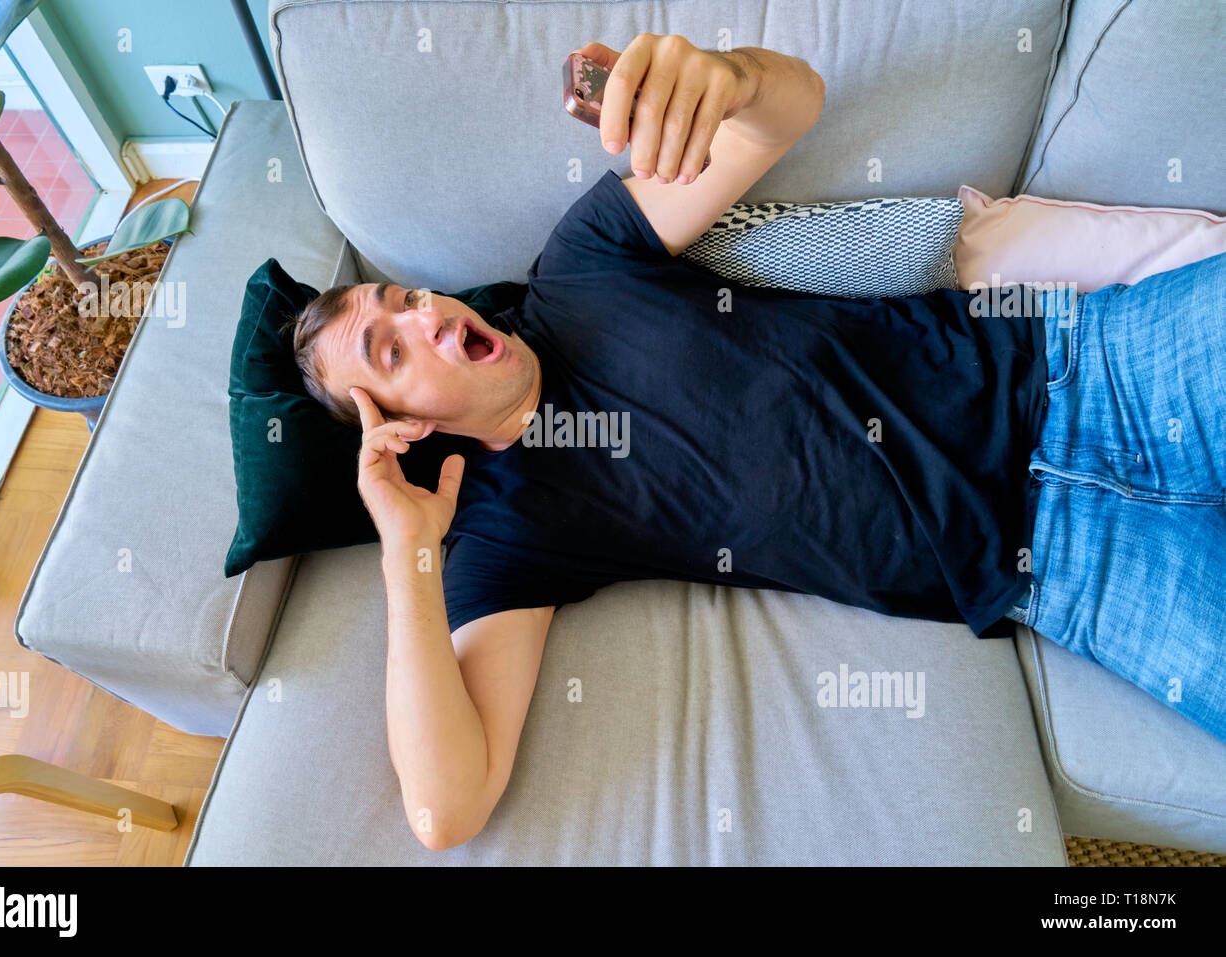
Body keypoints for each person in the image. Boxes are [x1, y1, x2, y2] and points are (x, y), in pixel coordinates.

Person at [285, 34, 1226, 851]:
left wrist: (730, 78)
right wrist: (408, 555)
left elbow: (789, 110)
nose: (429, 315)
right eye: (392, 349)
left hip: (1088, 368)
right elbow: (446, 808)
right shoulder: (506, 538)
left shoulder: (579, 267)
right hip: (1063, 566)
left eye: (404, 297)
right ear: (396, 426)